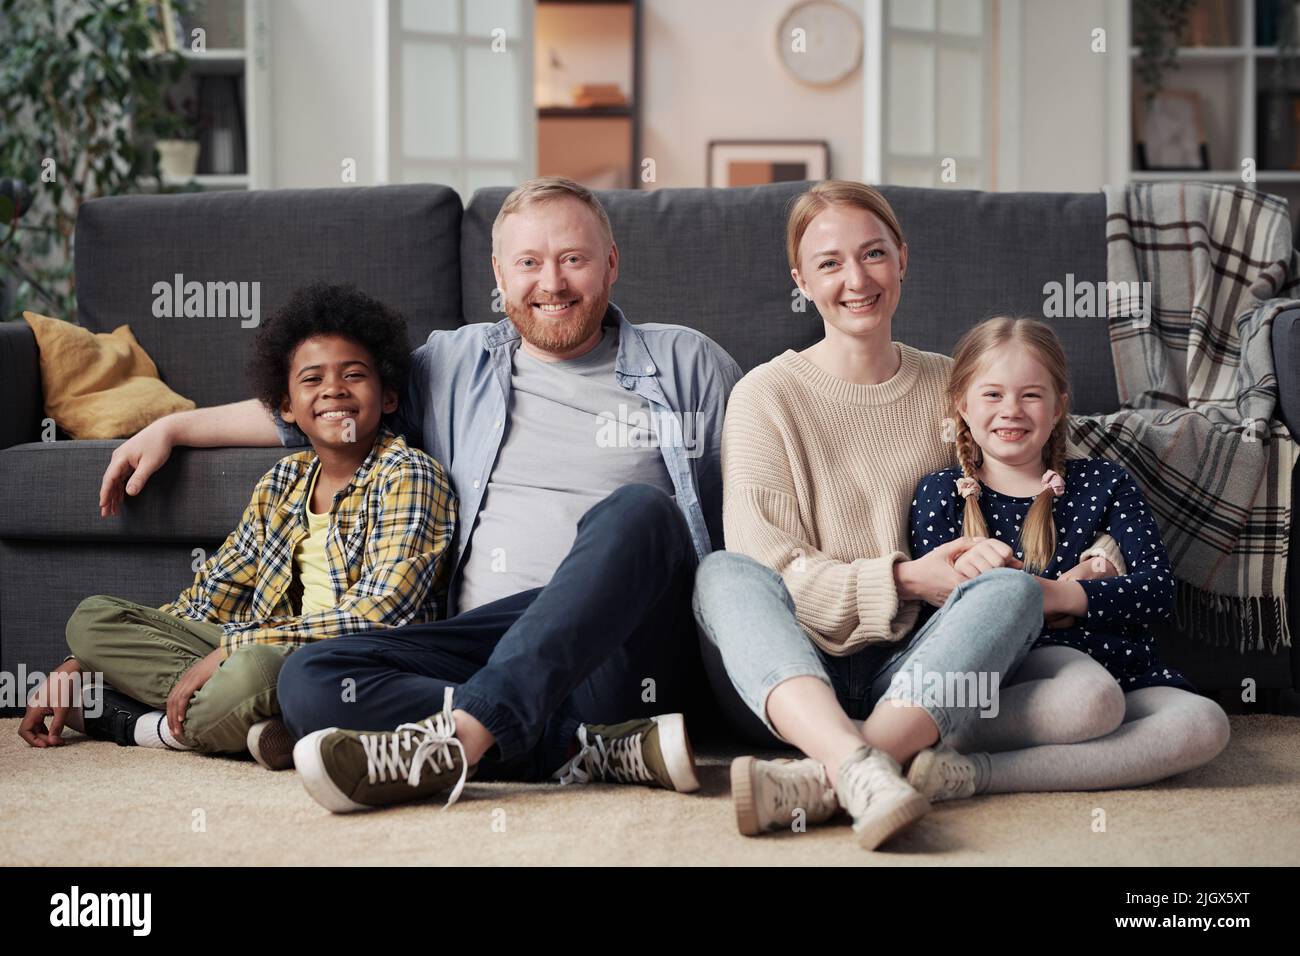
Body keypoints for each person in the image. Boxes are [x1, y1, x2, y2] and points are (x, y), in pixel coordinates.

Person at [95, 177, 742, 812]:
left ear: (610, 263)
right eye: (529, 263)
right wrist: (174, 426)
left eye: (573, 259)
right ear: (498, 272)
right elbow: (331, 405)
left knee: (639, 512)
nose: (551, 283)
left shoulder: (688, 362)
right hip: (482, 640)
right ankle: (579, 748)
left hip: (623, 648)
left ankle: (463, 737)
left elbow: (754, 502)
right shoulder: (458, 364)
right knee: (309, 680)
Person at [691, 180, 1125, 850]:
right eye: (830, 263)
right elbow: (770, 569)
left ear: (903, 259)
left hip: (920, 671)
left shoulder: (952, 383)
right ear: (801, 279)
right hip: (793, 677)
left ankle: (842, 772)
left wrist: (1102, 547)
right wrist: (901, 580)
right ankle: (856, 760)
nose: (856, 279)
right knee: (722, 574)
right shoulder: (764, 396)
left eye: (873, 254)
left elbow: (1049, 459)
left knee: (1009, 591)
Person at [21, 283, 455, 770]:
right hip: (256, 645)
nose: (334, 389)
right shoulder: (282, 483)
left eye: (354, 375)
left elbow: (379, 616)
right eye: (312, 379)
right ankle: (253, 724)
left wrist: (236, 646)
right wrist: (80, 663)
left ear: (389, 395)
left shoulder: (410, 474)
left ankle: (133, 723)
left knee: (249, 673)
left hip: (344, 663)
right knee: (92, 620)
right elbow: (210, 598)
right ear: (286, 407)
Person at [903, 316, 1229, 800]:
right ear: (962, 405)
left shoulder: (1105, 483)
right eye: (992, 394)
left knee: (1205, 724)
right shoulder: (941, 493)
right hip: (1021, 676)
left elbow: (1157, 591)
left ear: (1058, 408)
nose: (1011, 410)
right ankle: (914, 733)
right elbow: (940, 614)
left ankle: (970, 773)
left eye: (1031, 395)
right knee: (1089, 700)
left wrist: (1057, 593)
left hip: (1126, 670)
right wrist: (1077, 587)